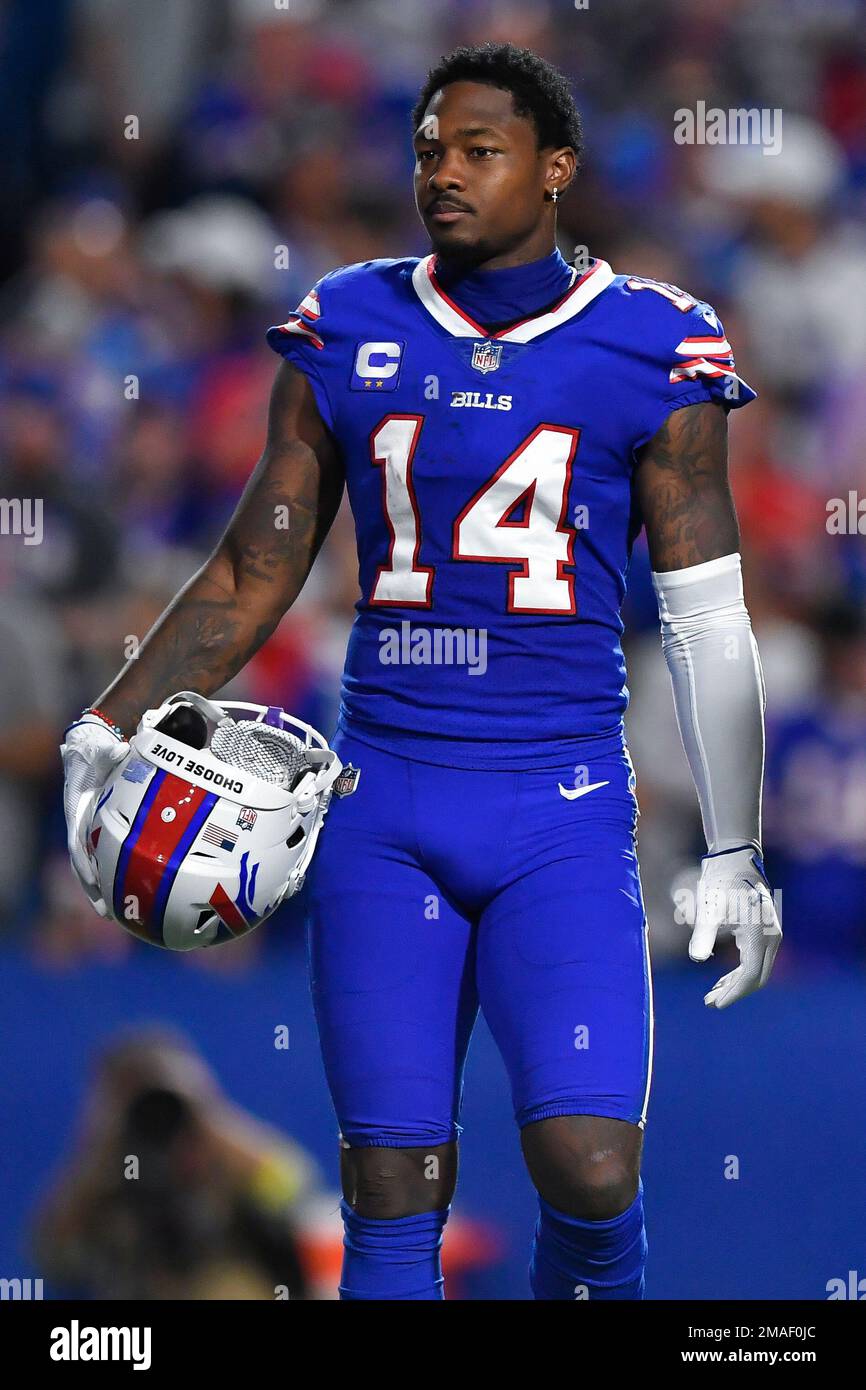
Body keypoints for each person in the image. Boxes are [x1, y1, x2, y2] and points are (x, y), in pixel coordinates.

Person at [62, 43, 780, 1300]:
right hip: (382, 803)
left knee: (592, 1166)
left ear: (556, 169)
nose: (440, 174)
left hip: (559, 806)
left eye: (477, 151)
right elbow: (250, 568)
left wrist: (731, 847)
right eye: (427, 149)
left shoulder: (651, 339)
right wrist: (106, 719)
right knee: (393, 1187)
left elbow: (707, 618)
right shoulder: (349, 317)